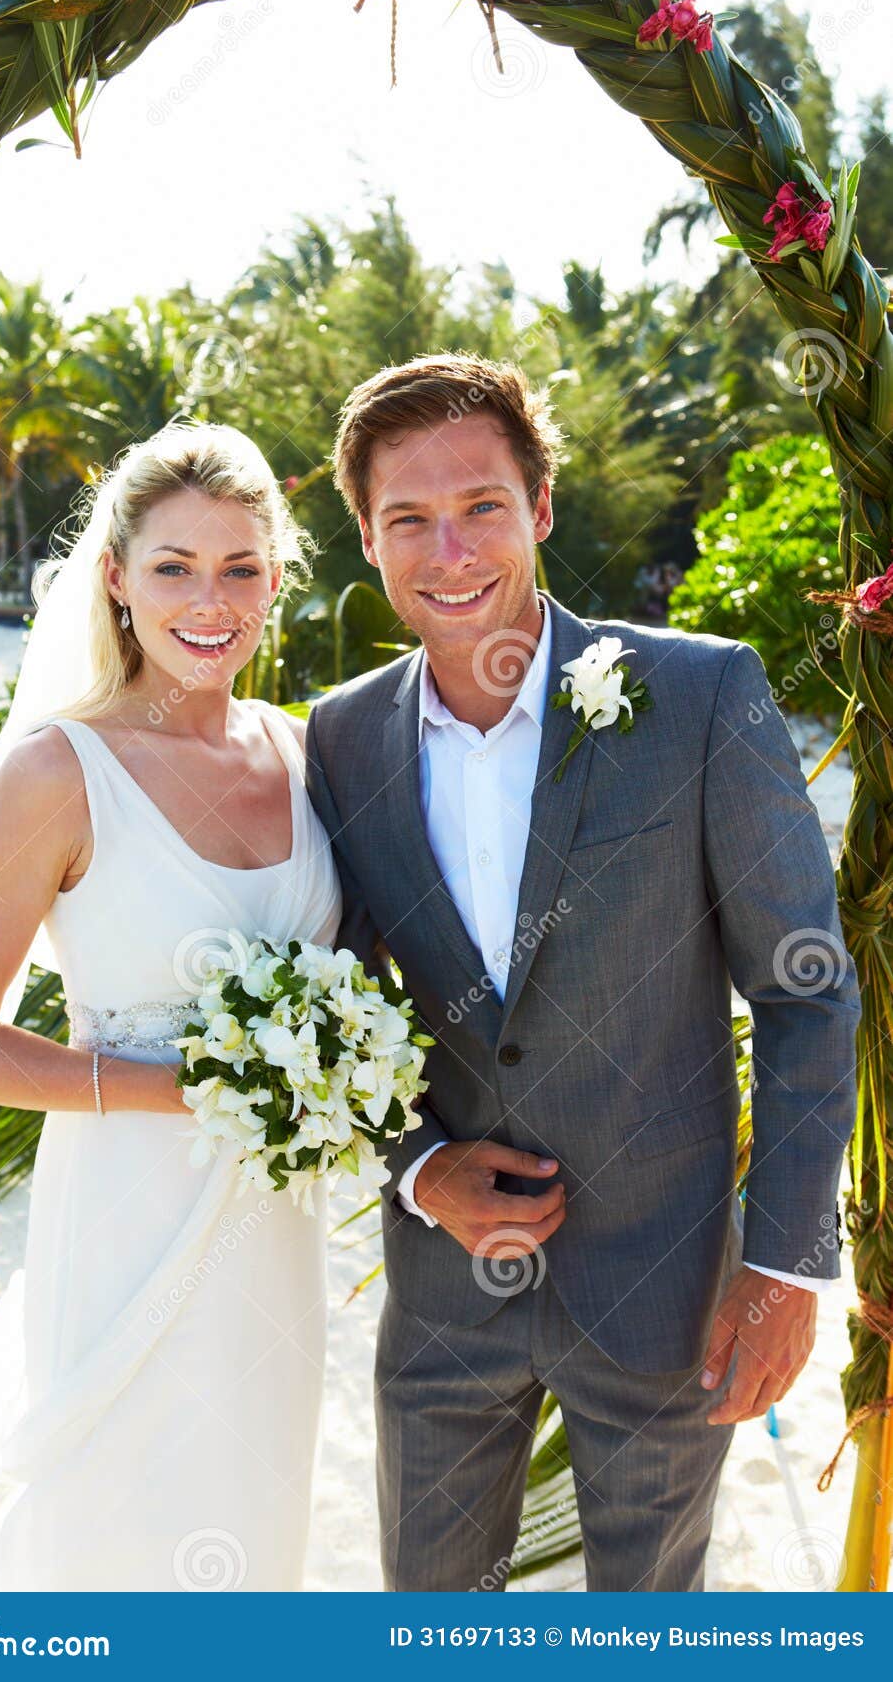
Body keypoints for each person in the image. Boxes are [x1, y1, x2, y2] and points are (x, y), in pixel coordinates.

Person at [304, 352, 860, 1592]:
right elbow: (338, 1010)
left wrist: (777, 1270)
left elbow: (803, 990)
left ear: (540, 509)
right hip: (443, 1296)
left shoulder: (700, 693)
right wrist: (414, 1169)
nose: (449, 552)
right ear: (367, 538)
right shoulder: (339, 738)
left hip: (664, 1292)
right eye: (409, 520)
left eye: (480, 507)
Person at [0, 422, 342, 1591]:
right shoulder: (59, 773)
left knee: (255, 1517)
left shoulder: (309, 753)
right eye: (172, 566)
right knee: (119, 1524)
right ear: (113, 577)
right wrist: (190, 1089)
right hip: (124, 1209)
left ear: (276, 575)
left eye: (239, 568)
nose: (208, 601)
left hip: (275, 1228)